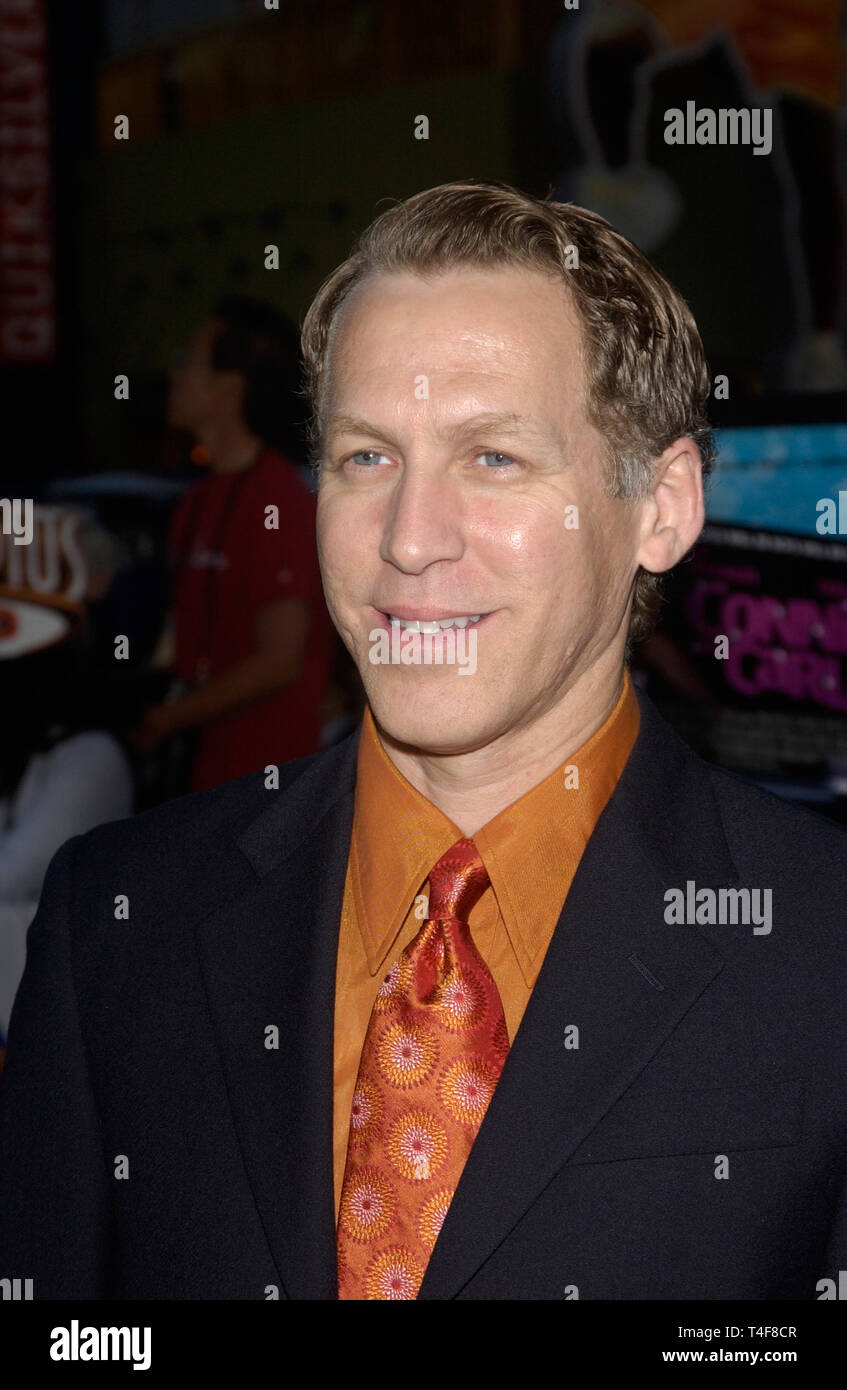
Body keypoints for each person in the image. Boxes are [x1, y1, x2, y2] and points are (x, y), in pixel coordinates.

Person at [1, 179, 846, 1300]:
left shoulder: (819, 950)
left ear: (663, 505)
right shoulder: (116, 925)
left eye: (492, 457)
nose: (406, 539)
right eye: (365, 457)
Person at [133, 294, 335, 790]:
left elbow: (279, 659)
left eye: (188, 361)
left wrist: (168, 719)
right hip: (199, 783)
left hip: (265, 789)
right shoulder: (194, 502)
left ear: (229, 388)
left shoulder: (279, 500)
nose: (174, 374)